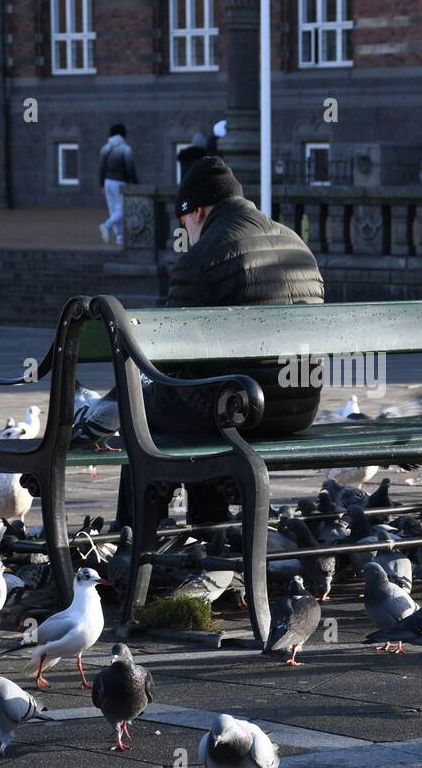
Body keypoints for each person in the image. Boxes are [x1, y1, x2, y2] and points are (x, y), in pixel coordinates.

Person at [117, 156, 325, 526]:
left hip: (243, 415)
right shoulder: (296, 243)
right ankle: (208, 524)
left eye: (183, 223)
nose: (185, 232)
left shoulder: (201, 257)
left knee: (142, 408)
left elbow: (168, 357)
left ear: (196, 212)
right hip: (300, 407)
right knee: (208, 393)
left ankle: (136, 535)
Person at [97, 124, 138, 247]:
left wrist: (101, 184)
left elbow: (101, 168)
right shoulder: (126, 149)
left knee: (113, 210)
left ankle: (119, 236)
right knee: (121, 209)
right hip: (120, 182)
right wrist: (135, 183)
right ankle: (107, 225)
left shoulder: (105, 148)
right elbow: (130, 168)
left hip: (107, 182)